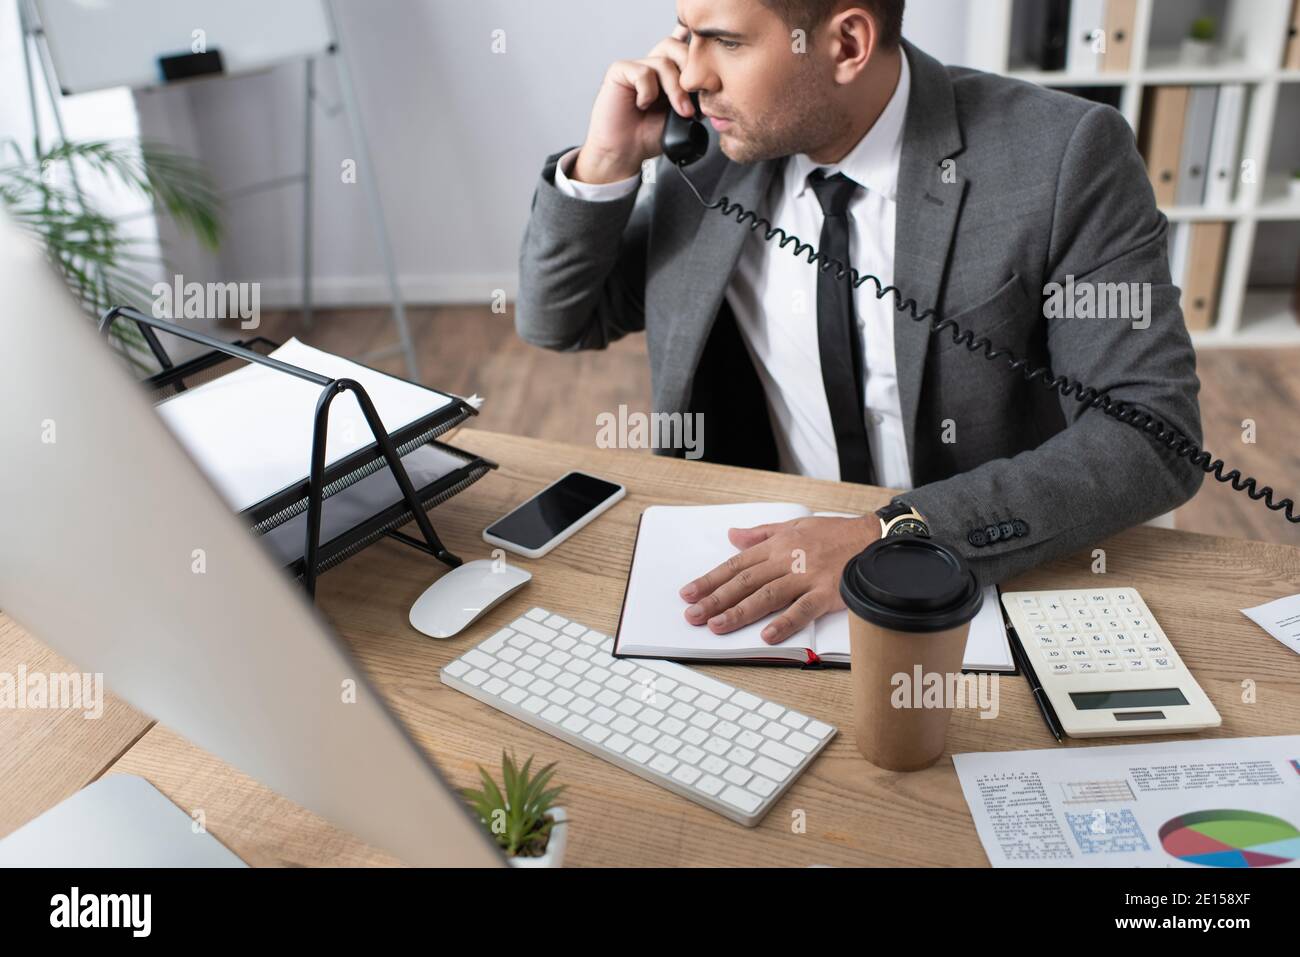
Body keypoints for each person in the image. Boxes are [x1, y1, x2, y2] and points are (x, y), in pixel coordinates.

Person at [515, 0, 1203, 646]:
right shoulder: (714, 151)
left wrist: (895, 531)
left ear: (846, 43)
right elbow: (562, 319)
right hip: (764, 561)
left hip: (987, 573)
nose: (691, 74)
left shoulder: (1061, 155)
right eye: (685, 31)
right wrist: (603, 163)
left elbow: (1152, 433)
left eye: (726, 41)